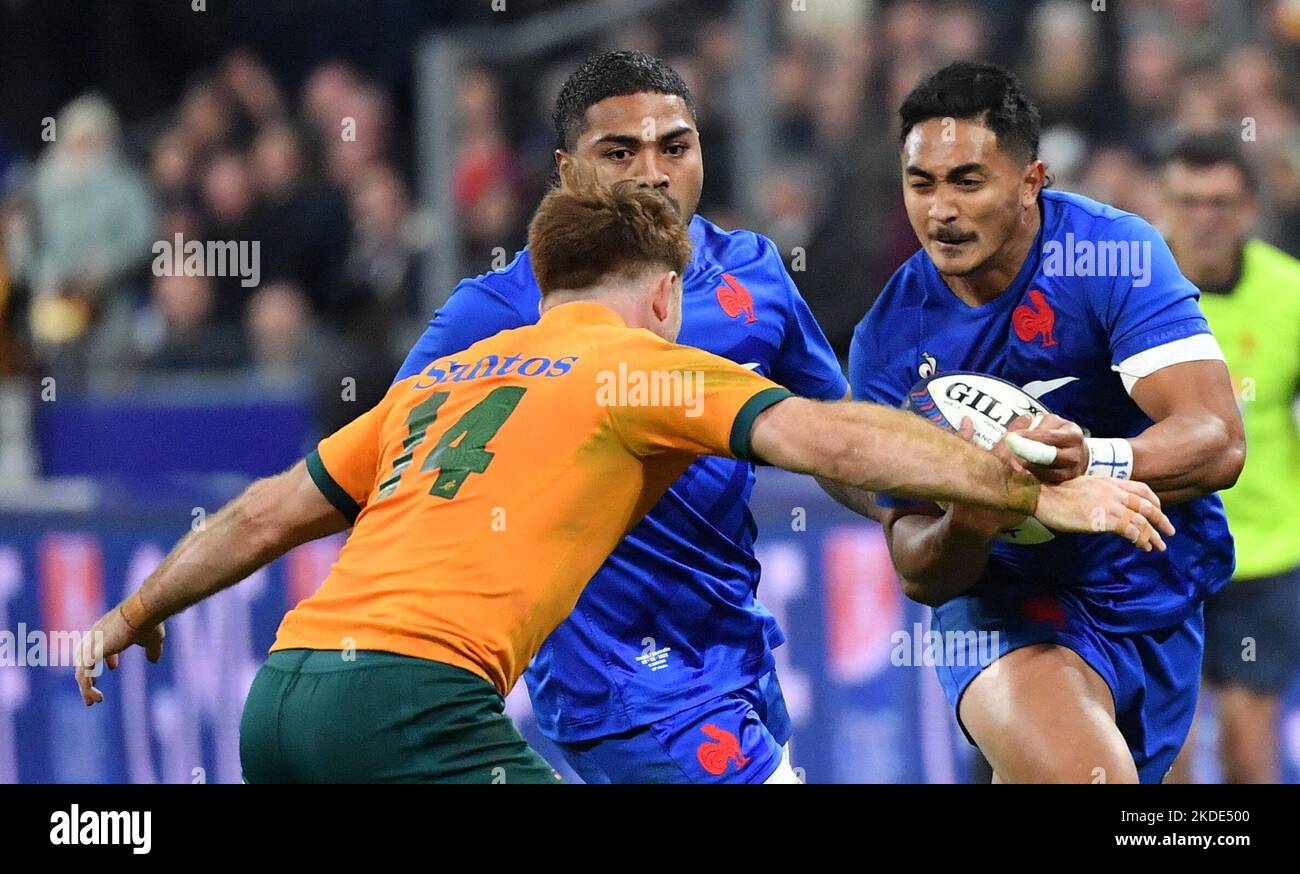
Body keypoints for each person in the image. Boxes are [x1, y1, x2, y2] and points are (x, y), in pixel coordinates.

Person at [74, 173, 1171, 784]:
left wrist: (134, 608)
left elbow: (268, 510)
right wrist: (1024, 490)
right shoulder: (640, 368)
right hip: (408, 703)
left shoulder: (442, 382)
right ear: (661, 294)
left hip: (282, 698)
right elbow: (838, 439)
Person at [396, 50, 862, 783]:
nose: (654, 172)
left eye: (676, 147)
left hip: (736, 655)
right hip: (616, 681)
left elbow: (837, 441)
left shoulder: (755, 274)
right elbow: (397, 460)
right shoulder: (495, 309)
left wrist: (936, 510)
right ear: (566, 168)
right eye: (620, 152)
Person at [849, 62, 1244, 784]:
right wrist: (977, 510)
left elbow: (1218, 440)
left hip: (1151, 595)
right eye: (922, 183)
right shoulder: (888, 343)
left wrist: (1089, 461)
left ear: (1032, 181)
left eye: (968, 181)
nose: (940, 211)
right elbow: (916, 565)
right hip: (1007, 611)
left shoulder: (1110, 256)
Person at [1161, 131, 1300, 783]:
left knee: (1249, 754)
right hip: (1160, 545)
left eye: (1220, 203)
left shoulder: (1290, 295)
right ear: (1165, 207)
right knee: (1169, 752)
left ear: (1248, 209)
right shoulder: (1134, 296)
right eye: (1188, 202)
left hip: (1265, 553)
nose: (1204, 219)